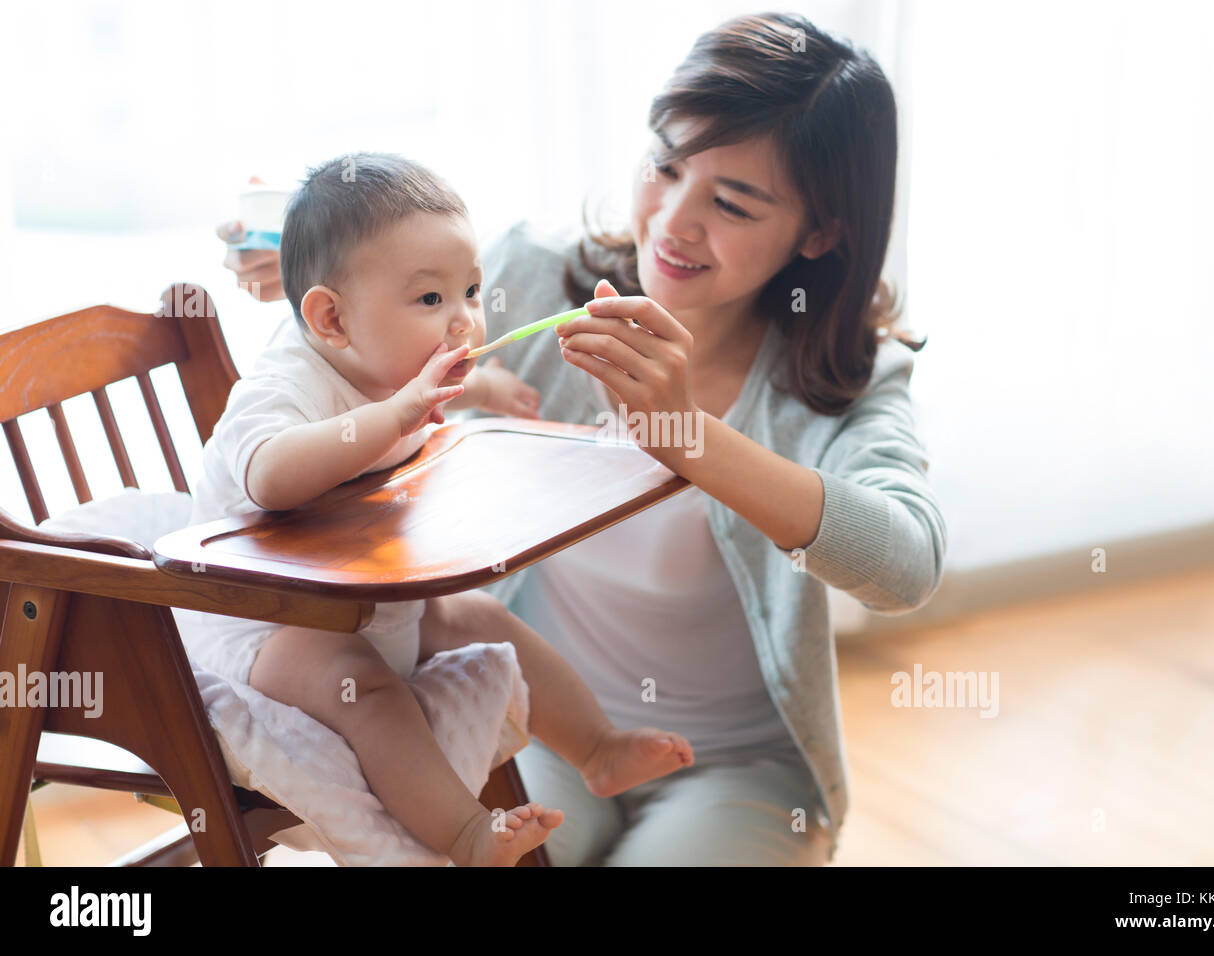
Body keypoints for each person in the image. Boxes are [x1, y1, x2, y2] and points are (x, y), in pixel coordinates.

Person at [218, 12, 946, 866]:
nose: (673, 222)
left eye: (733, 202)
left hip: (743, 770)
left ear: (819, 234)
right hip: (534, 718)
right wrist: (321, 284)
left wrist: (684, 436)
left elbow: (907, 567)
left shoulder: (845, 379)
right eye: (664, 165)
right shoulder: (531, 279)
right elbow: (351, 365)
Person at [184, 152, 694, 867]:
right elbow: (268, 476)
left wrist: (481, 391)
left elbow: (433, 387)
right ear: (331, 318)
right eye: (431, 301)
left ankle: (598, 750)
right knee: (366, 692)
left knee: (486, 618)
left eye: (472, 291)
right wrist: (396, 415)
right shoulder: (285, 385)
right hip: (264, 624)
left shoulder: (387, 363)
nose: (463, 322)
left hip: (364, 596)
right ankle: (465, 835)